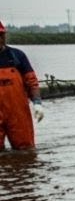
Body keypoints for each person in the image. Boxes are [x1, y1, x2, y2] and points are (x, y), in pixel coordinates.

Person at [0, 21, 43, 150]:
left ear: (4, 36)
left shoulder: (18, 56)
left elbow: (31, 81)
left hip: (17, 112)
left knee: (26, 150)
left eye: (1, 35)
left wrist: (37, 103)